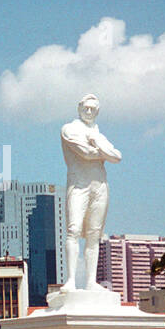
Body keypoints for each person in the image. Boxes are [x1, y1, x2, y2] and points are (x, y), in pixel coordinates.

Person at [60, 93, 122, 291]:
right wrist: (102, 151)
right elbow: (85, 153)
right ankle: (70, 280)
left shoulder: (98, 135)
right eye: (86, 108)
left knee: (94, 235)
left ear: (97, 111)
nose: (88, 112)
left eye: (92, 109)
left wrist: (97, 143)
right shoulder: (69, 129)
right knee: (74, 230)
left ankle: (90, 282)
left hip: (100, 186)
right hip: (79, 184)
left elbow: (117, 157)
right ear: (79, 108)